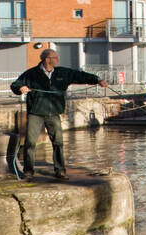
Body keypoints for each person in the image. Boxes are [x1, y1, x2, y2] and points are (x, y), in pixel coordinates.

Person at [9, 48, 101, 180]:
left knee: (58, 142)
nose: (58, 60)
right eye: (55, 58)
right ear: (47, 60)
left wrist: (97, 80)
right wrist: (20, 88)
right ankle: (28, 171)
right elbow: (15, 84)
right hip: (35, 112)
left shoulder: (63, 72)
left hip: (53, 113)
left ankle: (60, 171)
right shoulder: (31, 74)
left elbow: (80, 76)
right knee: (30, 143)